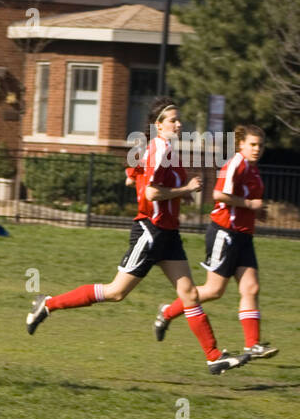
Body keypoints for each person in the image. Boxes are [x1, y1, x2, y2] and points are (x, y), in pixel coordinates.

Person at [25, 98, 250, 375]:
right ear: (158, 125)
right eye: (173, 120)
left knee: (190, 294)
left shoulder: (157, 149)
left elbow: (130, 178)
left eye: (179, 120)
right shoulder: (158, 149)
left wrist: (170, 188)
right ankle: (47, 304)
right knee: (116, 292)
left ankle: (214, 356)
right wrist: (184, 189)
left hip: (168, 233)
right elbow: (150, 193)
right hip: (151, 231)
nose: (179, 124)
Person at [153, 124, 276, 359]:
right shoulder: (236, 164)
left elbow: (246, 200)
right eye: (252, 144)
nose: (257, 149)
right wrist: (250, 205)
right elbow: (218, 195)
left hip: (244, 236)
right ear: (241, 144)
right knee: (213, 290)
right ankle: (167, 312)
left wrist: (256, 212)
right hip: (225, 233)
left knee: (251, 287)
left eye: (260, 145)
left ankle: (253, 345)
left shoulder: (253, 169)